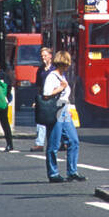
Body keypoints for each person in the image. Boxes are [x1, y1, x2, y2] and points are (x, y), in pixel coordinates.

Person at [43, 50, 83, 182]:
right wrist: (61, 88)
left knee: (73, 140)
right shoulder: (52, 77)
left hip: (64, 108)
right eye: (66, 63)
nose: (68, 66)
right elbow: (46, 94)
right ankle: (53, 173)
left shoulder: (62, 76)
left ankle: (72, 171)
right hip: (56, 110)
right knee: (54, 144)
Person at [31, 46, 53, 151]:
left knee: (58, 121)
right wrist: (36, 100)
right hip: (43, 97)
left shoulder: (55, 69)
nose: (43, 58)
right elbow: (39, 86)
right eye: (42, 56)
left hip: (54, 97)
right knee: (41, 120)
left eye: (45, 55)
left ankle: (65, 141)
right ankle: (39, 144)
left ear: (50, 56)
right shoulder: (40, 70)